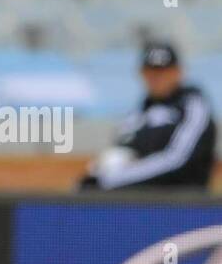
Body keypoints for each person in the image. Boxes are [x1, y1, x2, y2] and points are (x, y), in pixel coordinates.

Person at [80, 41, 216, 190]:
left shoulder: (193, 106)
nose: (157, 78)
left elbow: (177, 159)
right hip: (139, 204)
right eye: (151, 71)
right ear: (142, 73)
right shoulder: (138, 114)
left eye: (164, 71)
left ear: (178, 72)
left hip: (184, 205)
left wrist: (112, 179)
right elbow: (121, 150)